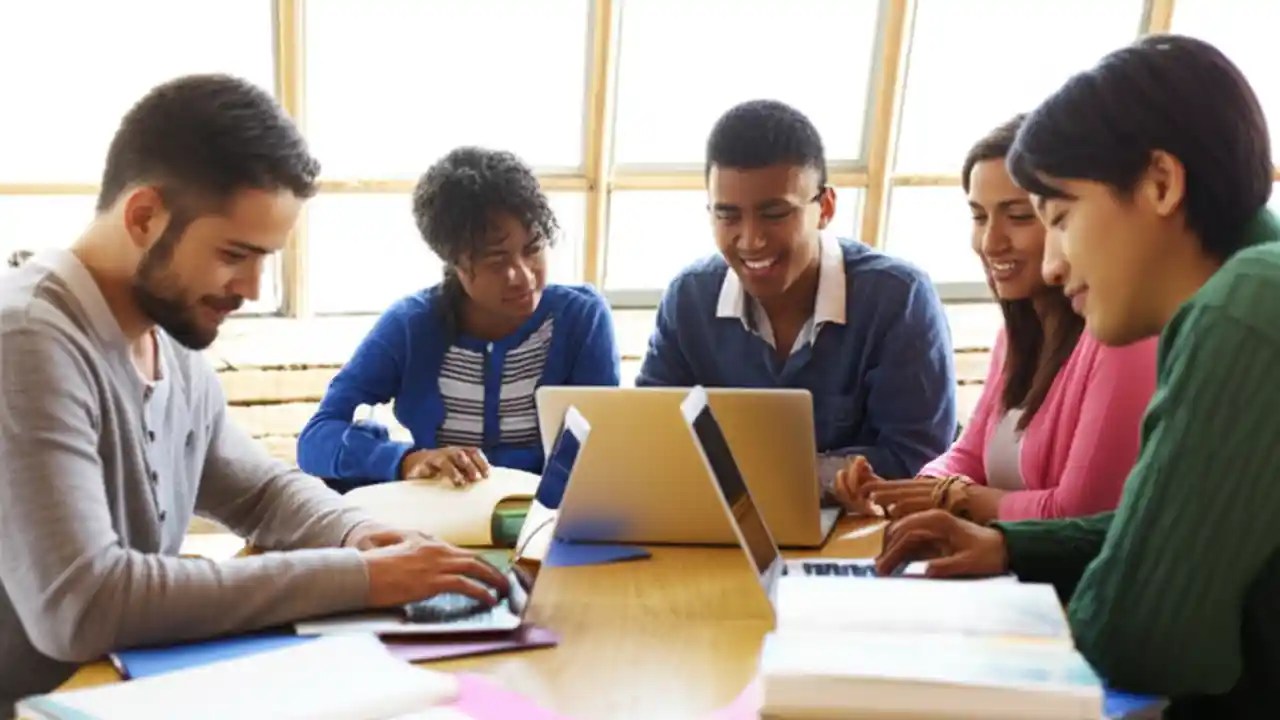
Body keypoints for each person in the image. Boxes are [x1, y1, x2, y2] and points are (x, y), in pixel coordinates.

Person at [0, 75, 508, 715]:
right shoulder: (24, 344)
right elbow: (83, 605)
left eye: (265, 257)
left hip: (134, 683)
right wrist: (359, 579)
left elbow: (258, 490)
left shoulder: (167, 335)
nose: (250, 287)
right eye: (235, 254)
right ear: (143, 217)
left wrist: (359, 535)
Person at [874, 35, 1280, 717]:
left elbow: (1143, 636)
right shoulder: (1250, 284)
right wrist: (1008, 544)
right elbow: (1154, 529)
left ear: (1160, 183)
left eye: (1058, 219)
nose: (1054, 265)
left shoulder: (1241, 311)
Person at [833, 116, 1158, 523]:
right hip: (1002, 575)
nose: (991, 242)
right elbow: (967, 457)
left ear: (1066, 220)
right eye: (980, 217)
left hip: (1058, 586)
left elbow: (1079, 512)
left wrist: (953, 498)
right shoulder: (1016, 335)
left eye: (1018, 216)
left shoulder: (1119, 340)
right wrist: (894, 493)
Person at [637, 99, 956, 489]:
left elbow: (916, 458)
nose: (751, 240)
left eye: (775, 214)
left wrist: (770, 478)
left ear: (825, 208)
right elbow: (654, 438)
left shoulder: (898, 300)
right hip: (722, 527)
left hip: (862, 535)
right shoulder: (688, 298)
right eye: (728, 215)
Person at [296, 147, 620, 490]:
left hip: (546, 516)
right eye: (496, 261)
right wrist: (408, 460)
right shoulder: (411, 325)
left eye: (533, 249)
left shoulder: (582, 318)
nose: (523, 276)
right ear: (453, 261)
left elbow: (600, 447)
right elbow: (317, 439)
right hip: (439, 513)